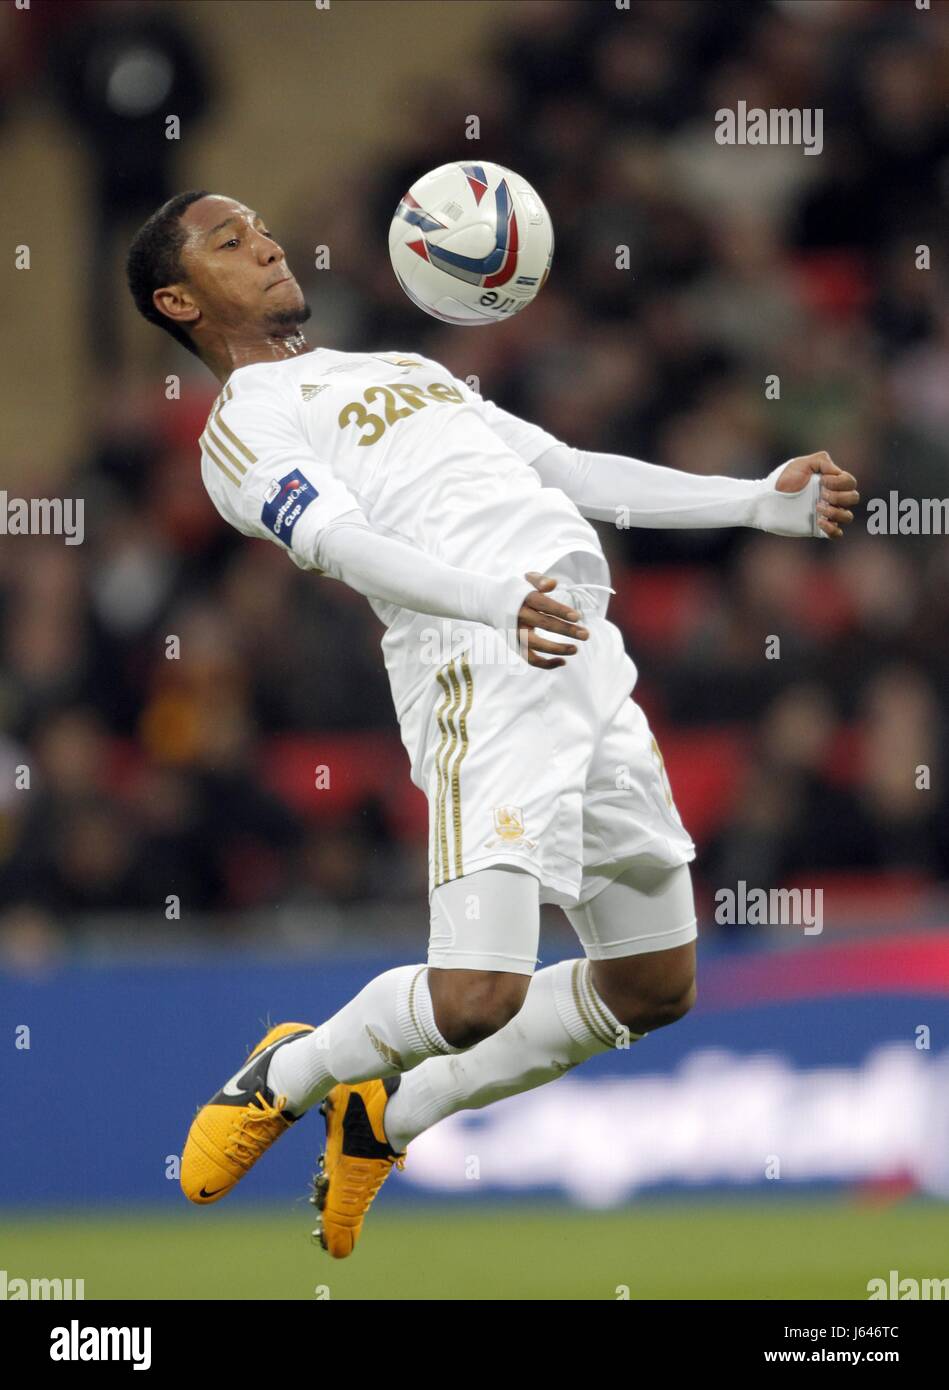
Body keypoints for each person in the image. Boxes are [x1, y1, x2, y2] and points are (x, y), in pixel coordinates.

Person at [126, 190, 859, 1257]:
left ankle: (389, 1116)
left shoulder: (405, 370)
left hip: (581, 651)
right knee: (475, 996)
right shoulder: (242, 429)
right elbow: (337, 543)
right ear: (179, 298)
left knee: (652, 987)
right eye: (229, 242)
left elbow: (567, 471)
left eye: (264, 228)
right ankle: (285, 1073)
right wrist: (488, 602)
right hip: (482, 656)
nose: (268, 244)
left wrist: (753, 500)